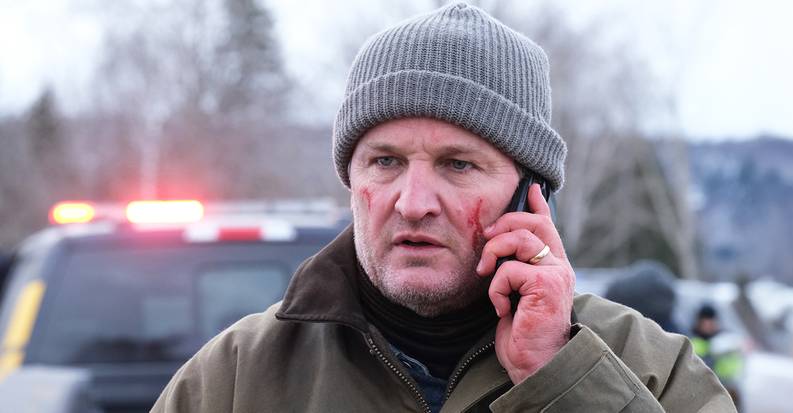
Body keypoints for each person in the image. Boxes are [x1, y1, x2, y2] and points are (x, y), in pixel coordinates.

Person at [152, 3, 735, 412]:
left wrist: (560, 377)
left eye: (458, 165)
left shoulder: (649, 368)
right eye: (384, 161)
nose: (413, 203)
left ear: (531, 194)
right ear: (352, 180)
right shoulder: (233, 378)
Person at [691, 303, 745, 408]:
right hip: (700, 392)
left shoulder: (725, 342)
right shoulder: (692, 342)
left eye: (710, 320)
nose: (708, 324)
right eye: (705, 321)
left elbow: (736, 368)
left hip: (726, 388)